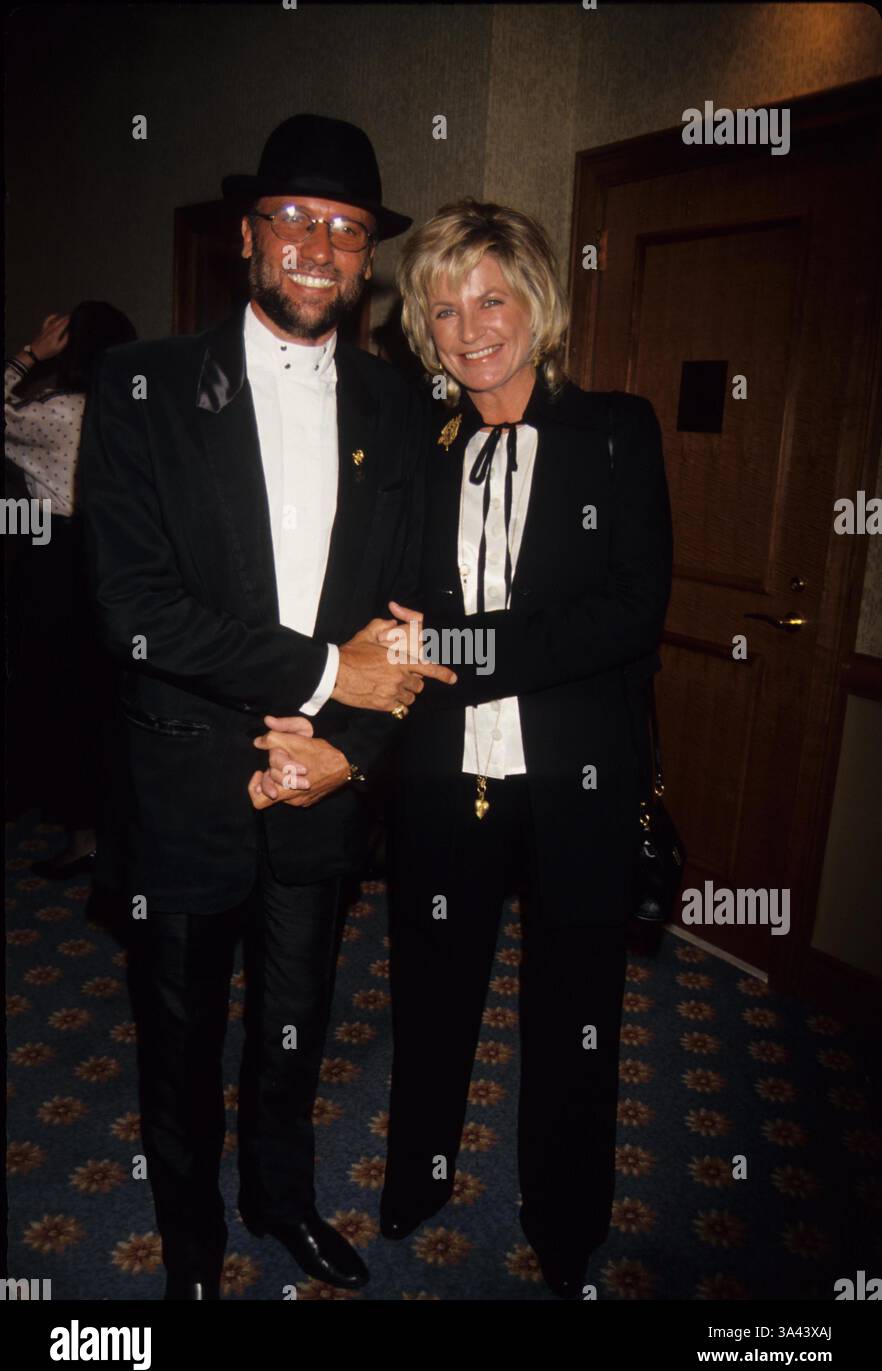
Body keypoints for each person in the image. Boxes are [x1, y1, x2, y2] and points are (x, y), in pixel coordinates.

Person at [251, 197, 673, 1298]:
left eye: (492, 299)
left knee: (576, 1009)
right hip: (446, 776)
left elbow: (625, 615)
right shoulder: (426, 446)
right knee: (433, 992)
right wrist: (342, 701)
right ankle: (419, 1175)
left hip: (578, 778)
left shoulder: (617, 429)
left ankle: (566, 1212)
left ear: (538, 305)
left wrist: (460, 643)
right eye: (445, 309)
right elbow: (390, 608)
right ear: (426, 332)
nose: (470, 327)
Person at [79, 114, 454, 1301]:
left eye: (346, 229)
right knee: (181, 1039)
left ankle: (280, 1199)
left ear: (367, 260)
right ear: (250, 235)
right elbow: (132, 607)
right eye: (293, 217)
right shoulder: (139, 384)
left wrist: (346, 747)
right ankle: (189, 1249)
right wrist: (327, 676)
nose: (318, 245)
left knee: (296, 1020)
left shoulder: (397, 406)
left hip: (322, 787)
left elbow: (418, 609)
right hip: (186, 783)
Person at [5, 303, 136, 873]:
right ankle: (115, 828)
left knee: (63, 697)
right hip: (108, 556)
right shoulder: (127, 406)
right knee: (104, 698)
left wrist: (30, 354)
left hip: (56, 557)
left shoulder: (59, 410)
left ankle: (86, 836)